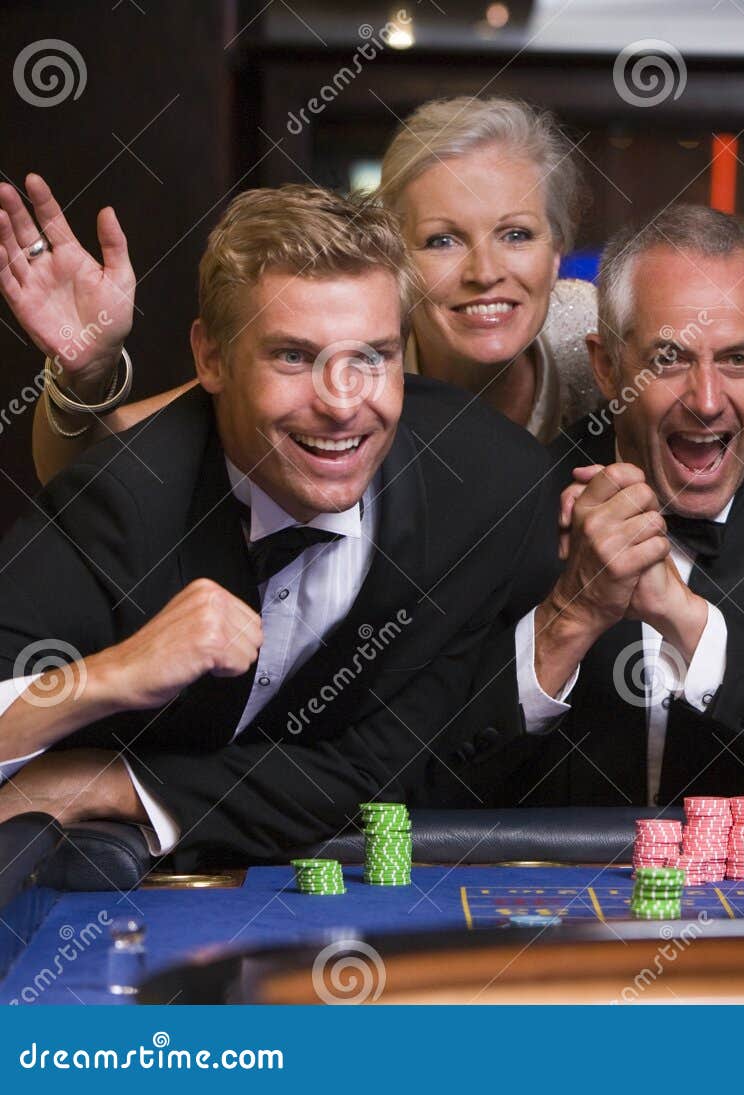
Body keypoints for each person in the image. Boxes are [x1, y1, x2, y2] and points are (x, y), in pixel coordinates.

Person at [0, 185, 561, 864]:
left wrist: (114, 782)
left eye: (373, 356)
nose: (341, 403)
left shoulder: (488, 488)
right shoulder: (123, 503)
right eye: (293, 356)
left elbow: (378, 770)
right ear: (211, 359)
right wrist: (117, 674)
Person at [435, 205, 744, 808]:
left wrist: (685, 618)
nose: (707, 401)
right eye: (669, 359)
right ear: (607, 367)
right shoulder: (511, 501)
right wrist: (571, 615)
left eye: (736, 358)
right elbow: (437, 776)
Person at [0, 96, 598, 483]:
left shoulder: (596, 341)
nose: (484, 271)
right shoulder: (335, 349)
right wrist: (86, 368)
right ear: (392, 263)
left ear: (557, 252)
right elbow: (82, 469)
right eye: (442, 241)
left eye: (516, 233)